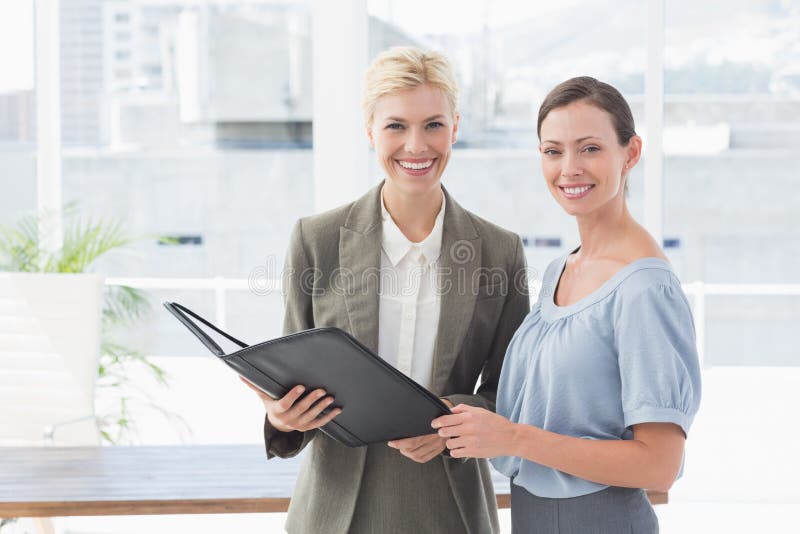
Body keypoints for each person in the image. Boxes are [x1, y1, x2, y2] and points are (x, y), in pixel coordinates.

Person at [241, 46, 530, 534]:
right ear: (370, 130)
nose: (416, 145)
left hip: (450, 504)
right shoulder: (316, 239)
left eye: (433, 125)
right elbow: (290, 376)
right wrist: (282, 417)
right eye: (396, 125)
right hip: (336, 508)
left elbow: (512, 391)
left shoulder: (500, 252)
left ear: (455, 127)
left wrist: (452, 423)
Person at [431, 76, 702, 533]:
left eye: (590, 148)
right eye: (553, 151)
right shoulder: (562, 269)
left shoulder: (644, 288)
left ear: (631, 153)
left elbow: (659, 464)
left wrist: (514, 438)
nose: (569, 168)